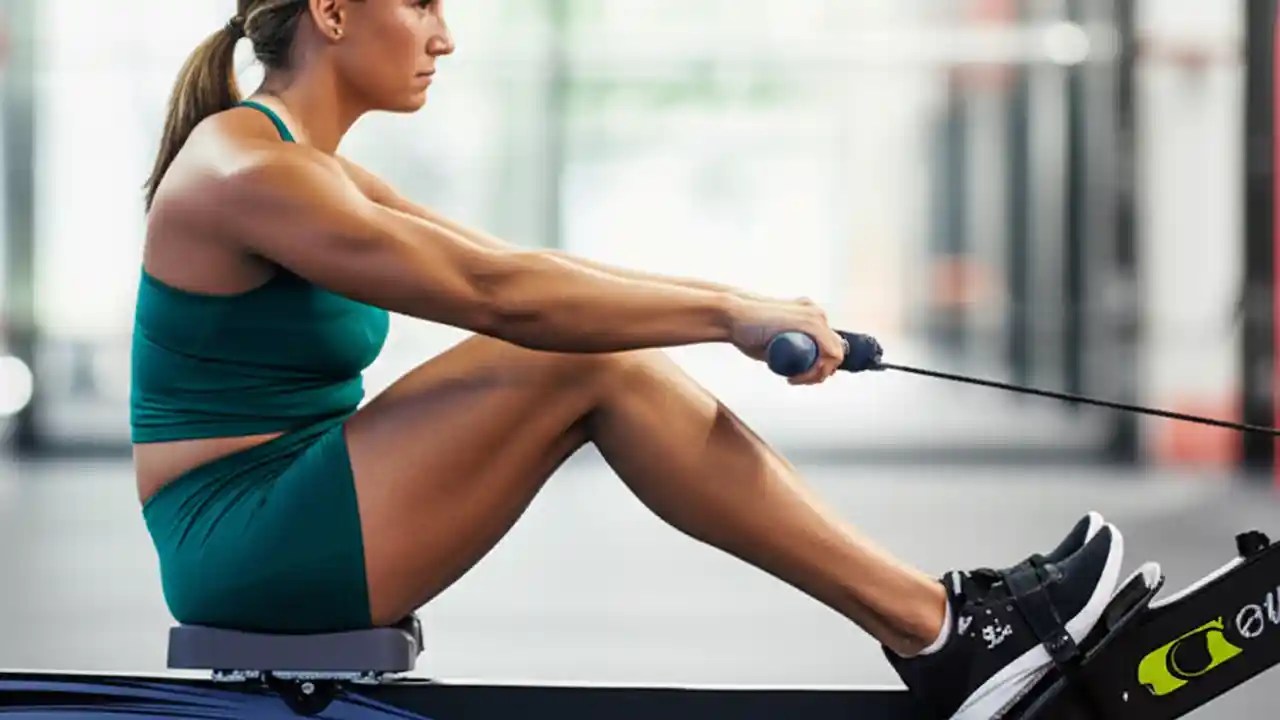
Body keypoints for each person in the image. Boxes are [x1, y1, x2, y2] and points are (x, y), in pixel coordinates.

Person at [131, 2, 1125, 718]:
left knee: (612, 360)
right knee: (585, 364)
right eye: (422, 2)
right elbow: (500, 301)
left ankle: (942, 626)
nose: (446, 33)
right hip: (239, 541)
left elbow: (519, 265)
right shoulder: (248, 169)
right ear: (333, 13)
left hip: (287, 501)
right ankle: (945, 635)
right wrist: (725, 314)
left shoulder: (308, 165)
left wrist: (735, 304)